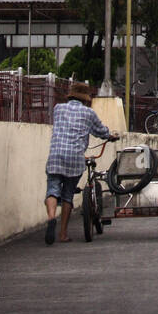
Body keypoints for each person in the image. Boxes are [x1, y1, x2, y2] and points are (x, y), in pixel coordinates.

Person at [44, 82, 119, 244]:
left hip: (55, 156)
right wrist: (110, 136)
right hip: (75, 158)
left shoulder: (58, 109)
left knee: (52, 189)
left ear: (70, 95)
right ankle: (63, 234)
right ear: (86, 99)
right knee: (67, 195)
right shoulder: (89, 113)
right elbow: (101, 131)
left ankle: (51, 217)